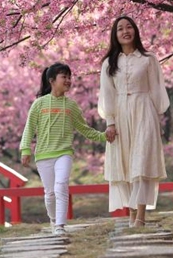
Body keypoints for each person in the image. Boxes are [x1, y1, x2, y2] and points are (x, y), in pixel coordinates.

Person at [20, 62, 112, 236]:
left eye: (70, 77)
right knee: (50, 193)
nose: (68, 80)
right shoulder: (39, 104)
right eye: (64, 77)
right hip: (43, 155)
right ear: (52, 80)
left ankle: (60, 226)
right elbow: (29, 128)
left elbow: (84, 129)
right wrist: (25, 150)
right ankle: (54, 220)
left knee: (61, 185)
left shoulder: (71, 106)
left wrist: (102, 136)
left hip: (64, 153)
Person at [98, 16, 170, 227]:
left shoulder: (148, 59)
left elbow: (157, 90)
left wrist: (157, 120)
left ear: (136, 31)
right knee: (125, 163)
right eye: (120, 28)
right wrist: (110, 122)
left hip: (144, 111)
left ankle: (140, 216)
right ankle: (130, 213)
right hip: (119, 114)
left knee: (141, 161)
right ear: (115, 35)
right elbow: (107, 94)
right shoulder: (109, 63)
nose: (125, 31)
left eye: (129, 27)